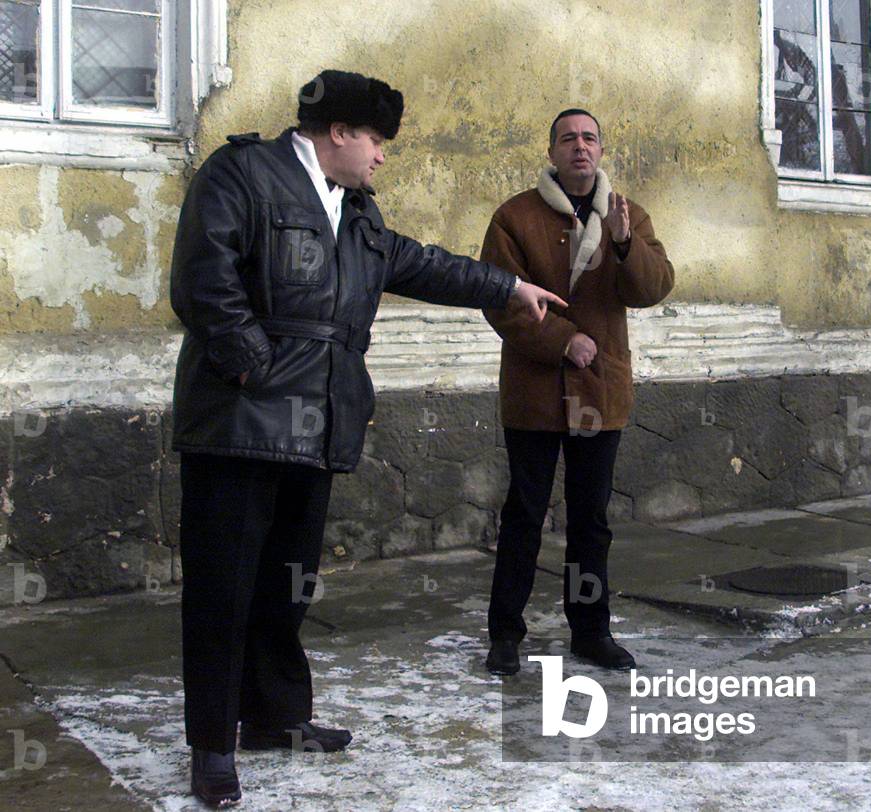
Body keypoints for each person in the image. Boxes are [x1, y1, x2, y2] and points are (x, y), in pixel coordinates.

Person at [169, 70, 566, 807]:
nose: (382, 156)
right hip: (238, 423)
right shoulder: (241, 173)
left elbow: (422, 264)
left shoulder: (357, 215)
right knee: (223, 592)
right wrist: (255, 366)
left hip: (317, 423)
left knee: (287, 586)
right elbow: (202, 282)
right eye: (377, 140)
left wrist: (509, 288)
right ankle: (212, 746)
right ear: (341, 132)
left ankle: (277, 719)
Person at [481, 108, 675, 676]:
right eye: (568, 139)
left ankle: (591, 632)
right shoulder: (515, 217)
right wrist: (563, 340)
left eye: (589, 138)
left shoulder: (628, 215)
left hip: (600, 389)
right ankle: (505, 635)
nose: (580, 147)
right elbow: (498, 298)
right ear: (552, 152)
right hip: (535, 390)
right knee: (525, 513)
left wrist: (622, 245)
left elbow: (654, 286)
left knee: (591, 520)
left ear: (601, 149)